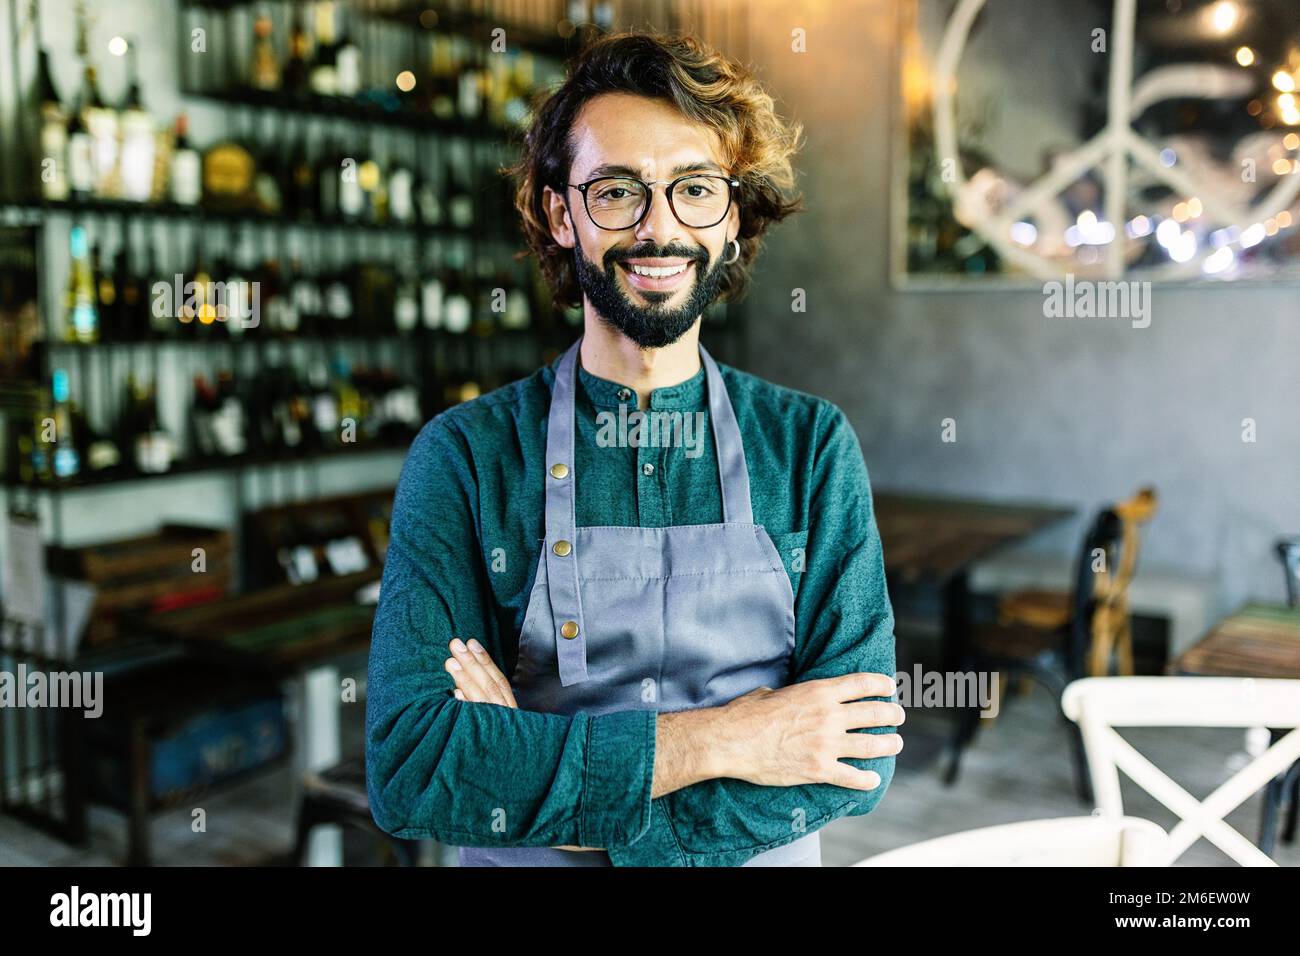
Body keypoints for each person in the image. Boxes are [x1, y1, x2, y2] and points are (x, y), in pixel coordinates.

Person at [365, 29, 903, 867]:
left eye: (695, 189)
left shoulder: (810, 447)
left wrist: (558, 797)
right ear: (561, 213)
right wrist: (730, 739)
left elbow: (859, 757)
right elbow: (415, 768)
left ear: (730, 221)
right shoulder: (465, 457)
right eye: (618, 191)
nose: (659, 229)